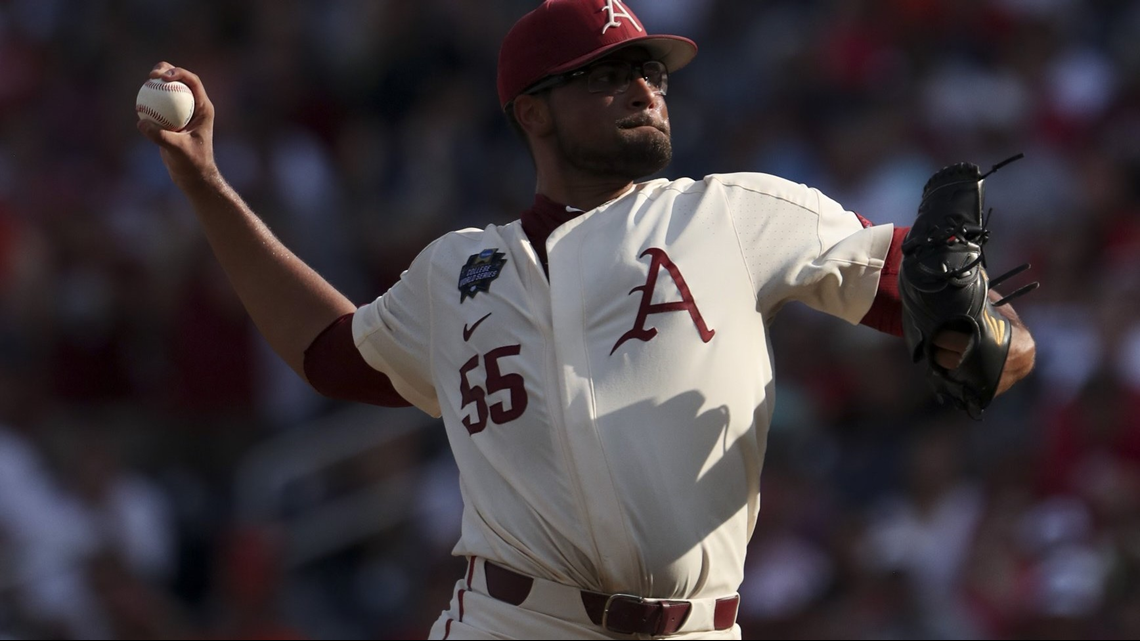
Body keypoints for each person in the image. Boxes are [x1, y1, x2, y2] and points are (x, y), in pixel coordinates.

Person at [137, 0, 1036, 638]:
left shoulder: (729, 211)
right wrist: (207, 187)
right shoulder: (457, 268)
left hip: (696, 627)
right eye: (607, 75)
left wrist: (995, 338)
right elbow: (333, 356)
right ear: (532, 112)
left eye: (649, 69)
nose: (644, 86)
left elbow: (968, 322)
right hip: (513, 619)